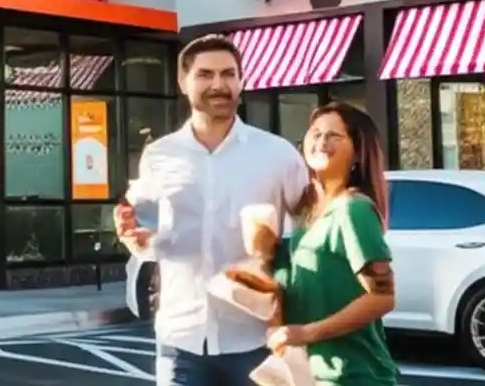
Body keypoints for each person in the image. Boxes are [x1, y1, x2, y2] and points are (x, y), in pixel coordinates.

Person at [115, 34, 309, 386]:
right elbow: (152, 236)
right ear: (183, 82)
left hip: (257, 340)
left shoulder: (278, 155)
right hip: (181, 340)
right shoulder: (159, 156)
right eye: (205, 74)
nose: (219, 84)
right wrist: (136, 239)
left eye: (228, 74)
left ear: (241, 81)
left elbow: (311, 233)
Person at [268, 102, 398, 385]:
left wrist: (308, 333)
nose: (322, 142)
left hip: (354, 376)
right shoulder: (306, 214)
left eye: (334, 135)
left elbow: (383, 297)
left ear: (358, 153)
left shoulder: (352, 209)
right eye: (315, 134)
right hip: (310, 375)